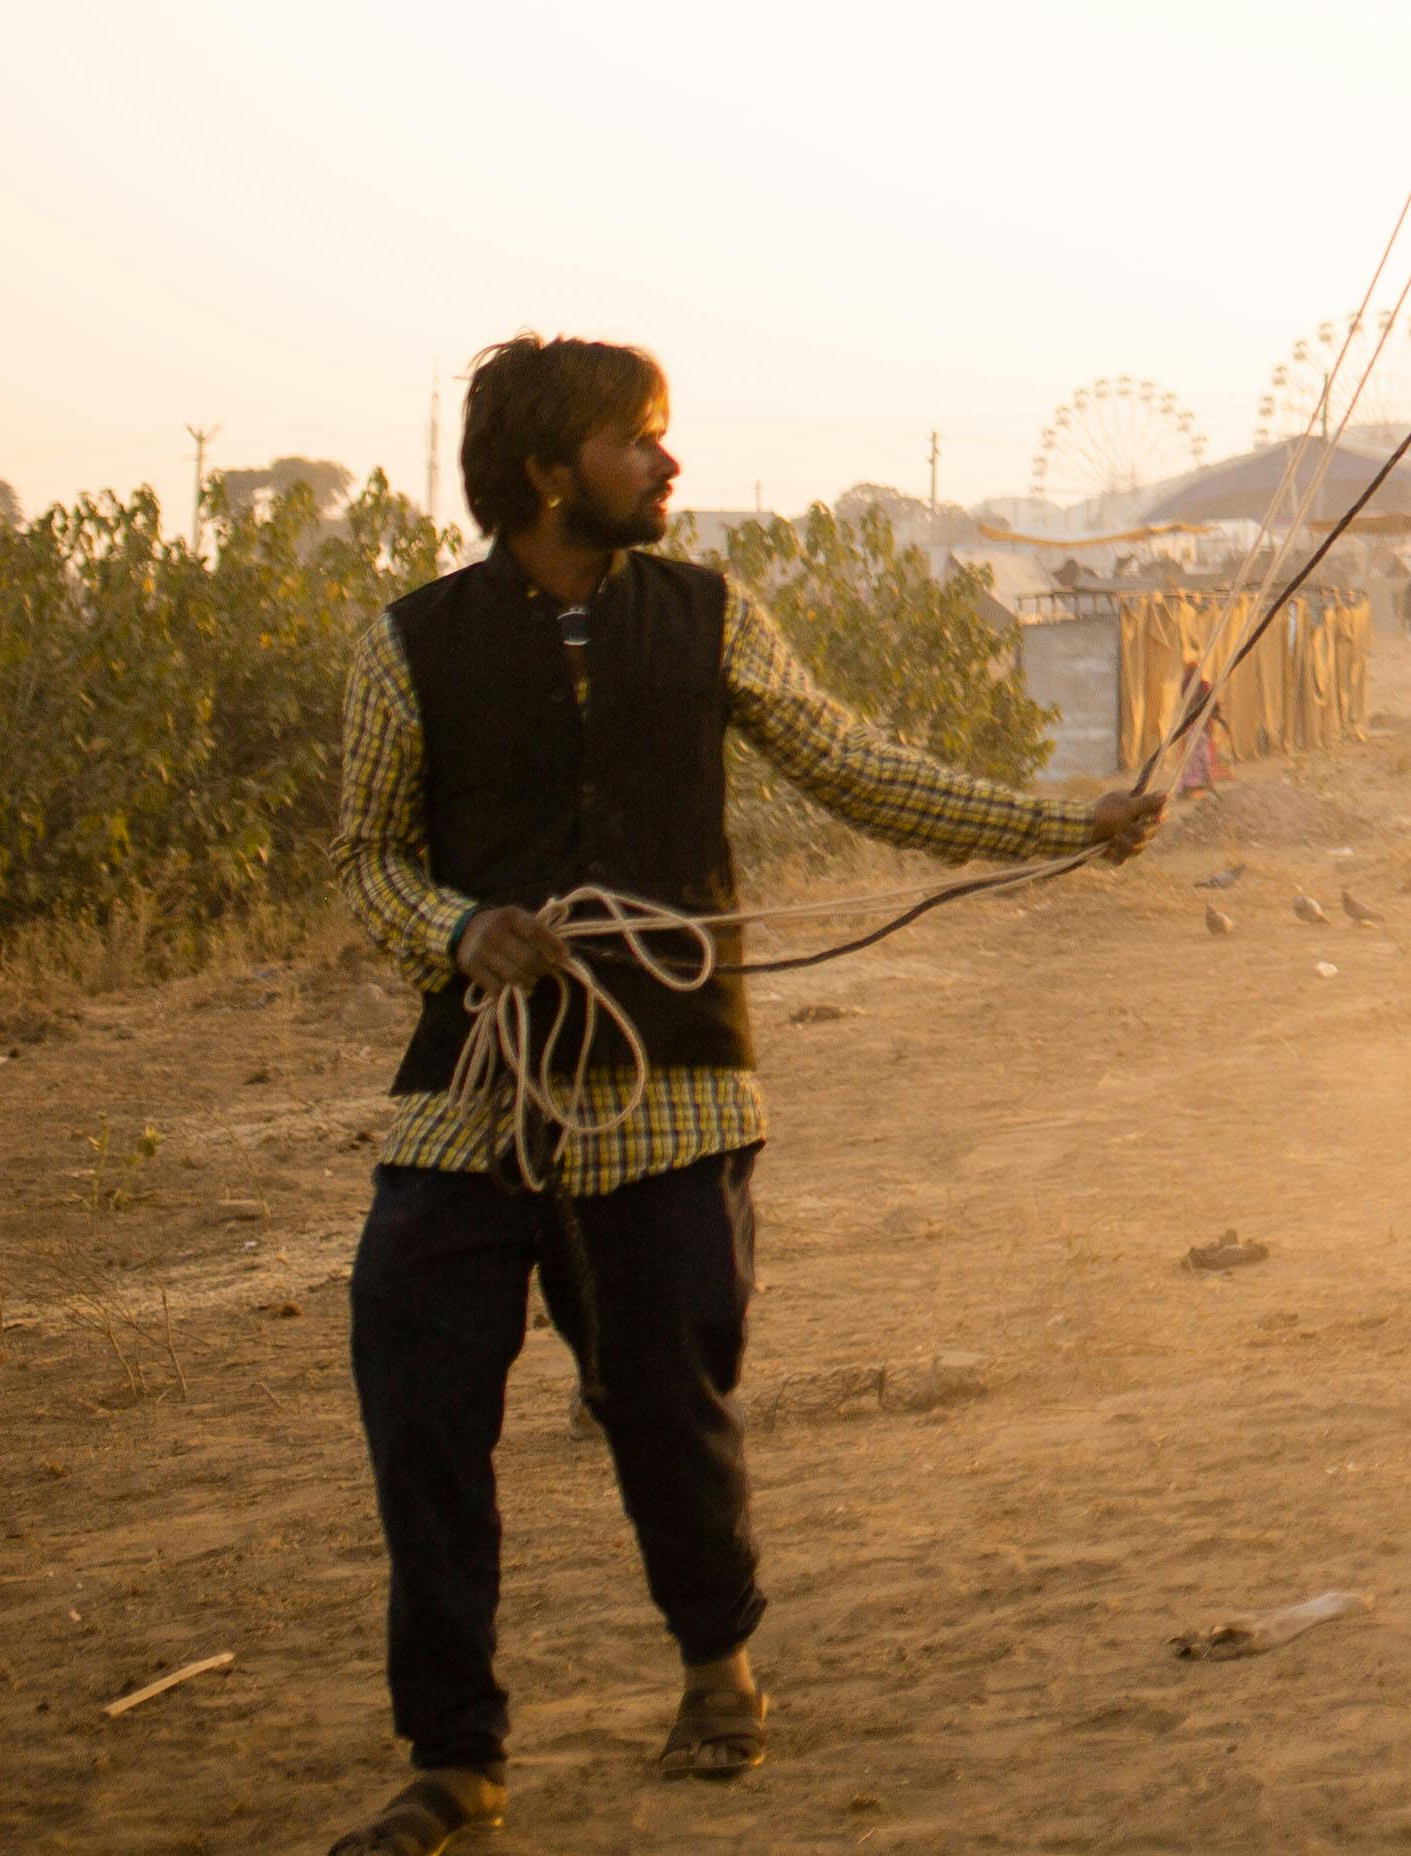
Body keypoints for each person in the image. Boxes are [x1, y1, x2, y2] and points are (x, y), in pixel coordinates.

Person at [322, 338, 1164, 1856]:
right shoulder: (409, 645)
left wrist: (1062, 826)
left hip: (676, 1085)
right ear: (542, 470)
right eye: (638, 440)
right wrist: (459, 930)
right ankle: (455, 1758)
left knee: (666, 1391)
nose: (669, 464)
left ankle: (719, 1672)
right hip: (476, 1092)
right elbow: (365, 859)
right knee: (420, 1402)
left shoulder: (710, 617)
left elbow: (856, 767)